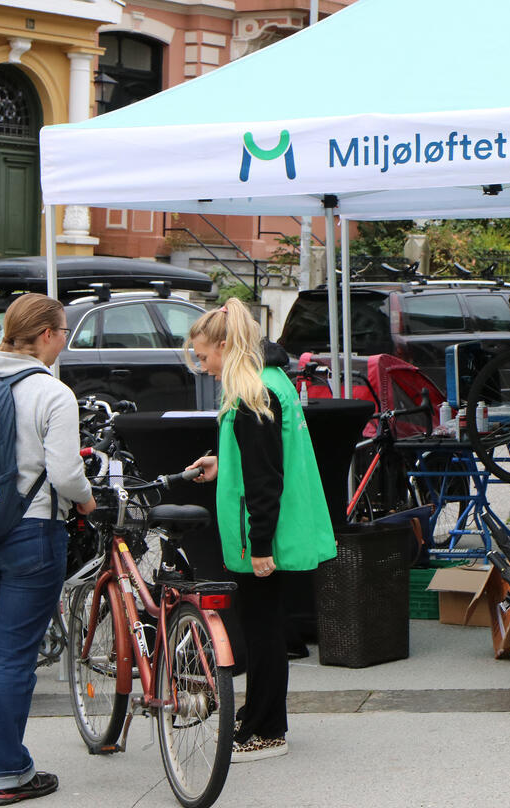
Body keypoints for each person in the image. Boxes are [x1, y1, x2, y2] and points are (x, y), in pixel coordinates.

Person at [0, 293, 97, 804]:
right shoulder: (51, 393)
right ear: (49, 334)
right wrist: (87, 500)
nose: (63, 344)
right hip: (31, 533)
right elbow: (64, 473)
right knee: (12, 655)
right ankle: (8, 773)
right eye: (64, 334)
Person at [186, 298, 335, 761]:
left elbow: (263, 476)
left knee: (264, 631)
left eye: (204, 356)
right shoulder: (270, 382)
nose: (202, 366)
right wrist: (221, 463)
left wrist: (261, 544)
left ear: (227, 347)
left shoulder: (252, 393)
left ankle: (266, 729)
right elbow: (261, 460)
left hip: (264, 534)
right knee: (268, 626)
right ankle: (260, 718)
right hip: (276, 527)